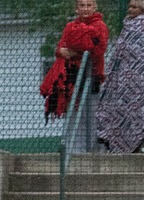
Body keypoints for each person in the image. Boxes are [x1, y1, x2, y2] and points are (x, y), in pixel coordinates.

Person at [95, 0, 144, 153]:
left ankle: (138, 145)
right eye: (130, 7)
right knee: (115, 108)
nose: (130, 10)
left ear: (143, 9)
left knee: (139, 113)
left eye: (134, 7)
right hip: (123, 81)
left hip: (141, 82)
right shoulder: (128, 26)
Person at [42, 0, 108, 136]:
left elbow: (98, 50)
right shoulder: (70, 26)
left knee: (91, 114)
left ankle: (93, 151)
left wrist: (76, 52)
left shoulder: (100, 26)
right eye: (82, 5)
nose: (85, 8)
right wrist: (62, 51)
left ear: (95, 7)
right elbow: (60, 47)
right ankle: (75, 151)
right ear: (76, 8)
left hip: (91, 75)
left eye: (89, 5)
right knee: (73, 113)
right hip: (71, 76)